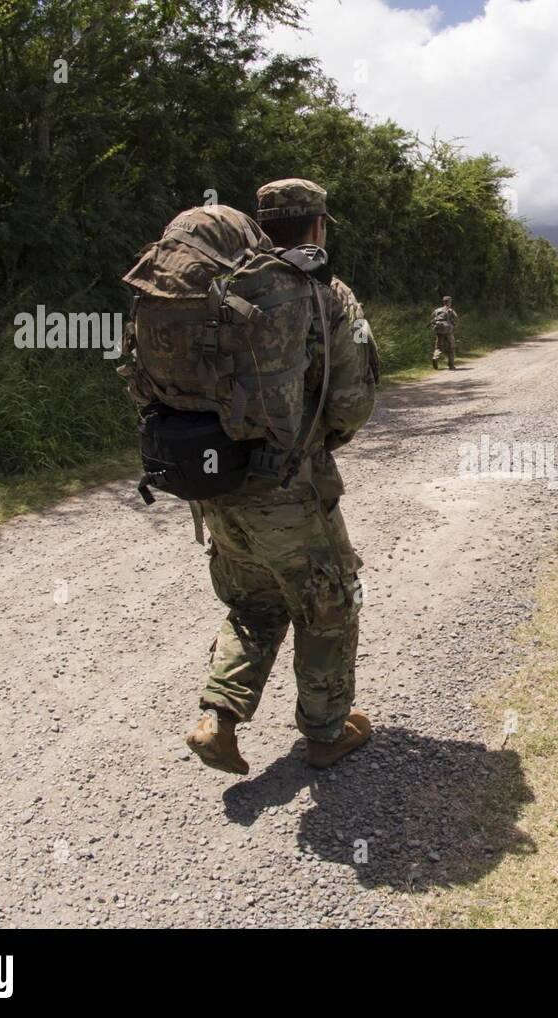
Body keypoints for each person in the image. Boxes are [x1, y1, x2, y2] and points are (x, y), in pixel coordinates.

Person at [183, 178, 380, 774]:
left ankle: (217, 719)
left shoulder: (212, 287)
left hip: (213, 482)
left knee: (253, 599)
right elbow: (351, 400)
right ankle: (325, 733)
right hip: (289, 484)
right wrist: (319, 444)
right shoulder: (324, 293)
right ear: (318, 226)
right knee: (328, 600)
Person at [430, 296, 459, 369]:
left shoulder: (437, 310)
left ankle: (435, 357)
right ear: (449, 302)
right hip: (448, 331)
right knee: (451, 347)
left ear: (443, 302)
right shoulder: (450, 310)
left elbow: (432, 319)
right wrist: (453, 325)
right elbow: (456, 319)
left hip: (439, 330)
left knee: (439, 347)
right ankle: (451, 365)